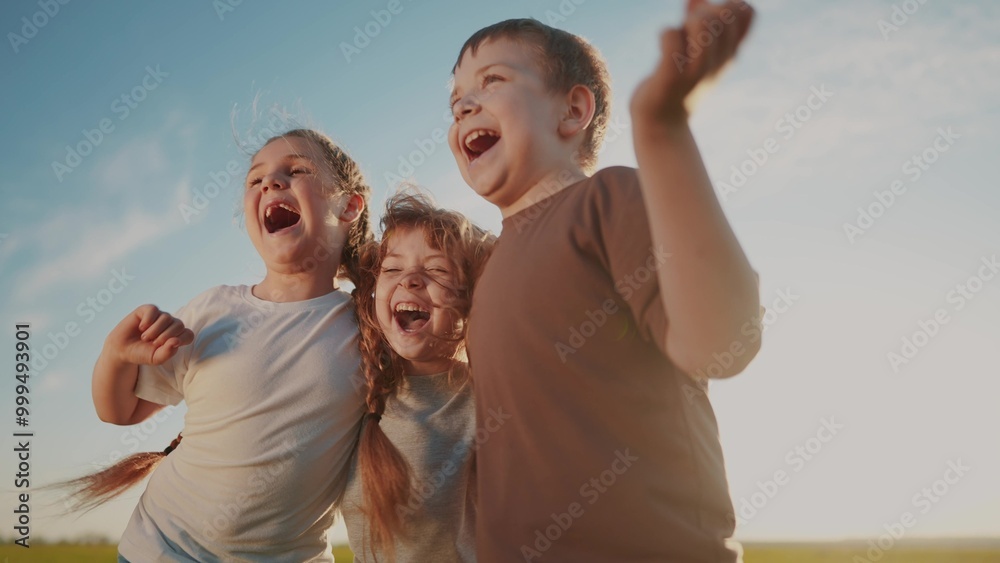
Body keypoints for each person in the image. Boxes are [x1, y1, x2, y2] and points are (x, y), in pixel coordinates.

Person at [446, 1, 761, 561]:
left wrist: (662, 132)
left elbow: (718, 343)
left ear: (572, 111)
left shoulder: (608, 199)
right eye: (454, 103)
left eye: (491, 81)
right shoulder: (489, 270)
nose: (465, 105)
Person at [63, 129, 372, 562]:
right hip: (161, 548)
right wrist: (115, 356)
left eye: (297, 169)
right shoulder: (213, 310)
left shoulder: (369, 327)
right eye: (254, 179)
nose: (269, 182)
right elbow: (120, 411)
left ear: (349, 204)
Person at [340, 190, 496, 562]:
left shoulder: (489, 397)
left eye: (438, 270)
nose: (409, 279)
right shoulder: (355, 389)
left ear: (472, 299)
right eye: (392, 269)